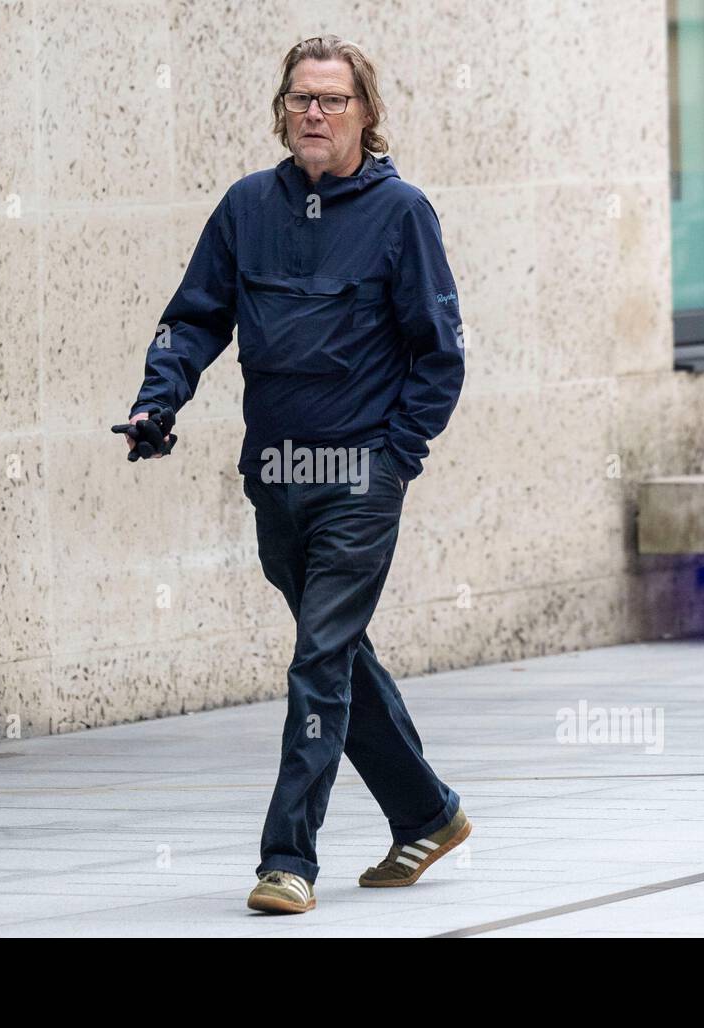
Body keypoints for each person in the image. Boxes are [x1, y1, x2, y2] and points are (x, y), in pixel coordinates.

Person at [122, 34, 469, 915]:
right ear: (282, 111)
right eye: (301, 100)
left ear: (366, 114)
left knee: (316, 660)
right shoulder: (246, 208)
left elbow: (441, 357)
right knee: (339, 653)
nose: (315, 113)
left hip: (361, 478)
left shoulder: (402, 215)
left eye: (333, 100)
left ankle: (288, 860)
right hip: (274, 476)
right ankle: (428, 813)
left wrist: (396, 461)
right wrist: (158, 403)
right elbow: (193, 319)